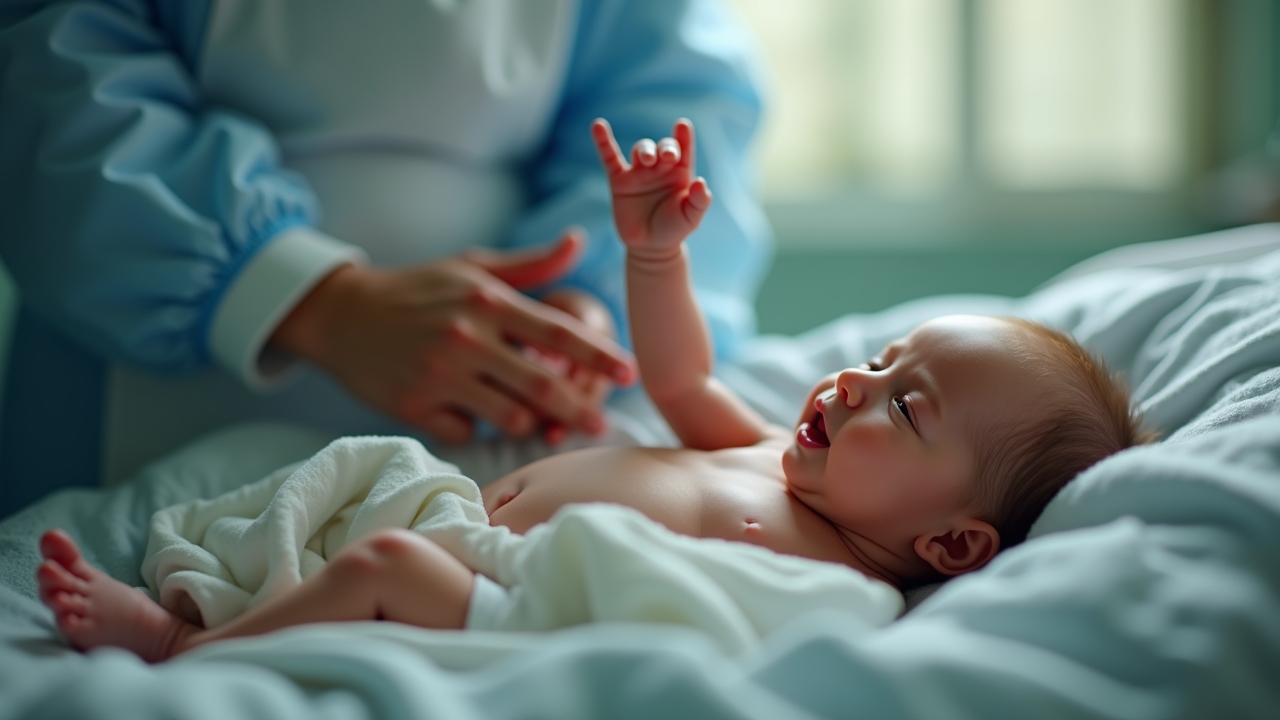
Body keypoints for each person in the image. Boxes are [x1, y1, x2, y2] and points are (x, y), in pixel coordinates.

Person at [34, 118, 1154, 662]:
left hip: (496, 600)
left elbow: (694, 630)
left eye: (906, 408)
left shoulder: (836, 582)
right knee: (356, 500)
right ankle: (232, 596)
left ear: (955, 546)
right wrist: (652, 256)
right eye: (879, 362)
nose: (855, 388)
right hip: (460, 518)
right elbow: (676, 373)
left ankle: (178, 652)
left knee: (387, 565)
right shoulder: (766, 453)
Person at [0, 0, 772, 514]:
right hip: (140, 400)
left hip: (506, 424)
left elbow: (671, 92)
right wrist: (308, 301)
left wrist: (588, 305)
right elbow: (51, 70)